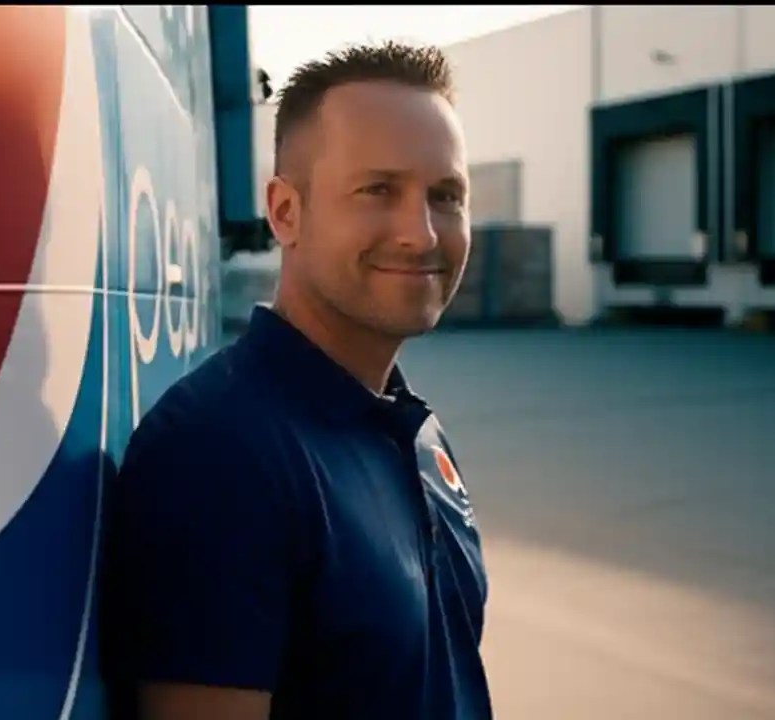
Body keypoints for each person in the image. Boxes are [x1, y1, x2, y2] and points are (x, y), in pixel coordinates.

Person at [100, 40, 491, 720]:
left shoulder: (413, 431)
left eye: (446, 196)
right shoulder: (220, 454)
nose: (422, 233)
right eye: (378, 190)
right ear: (285, 212)